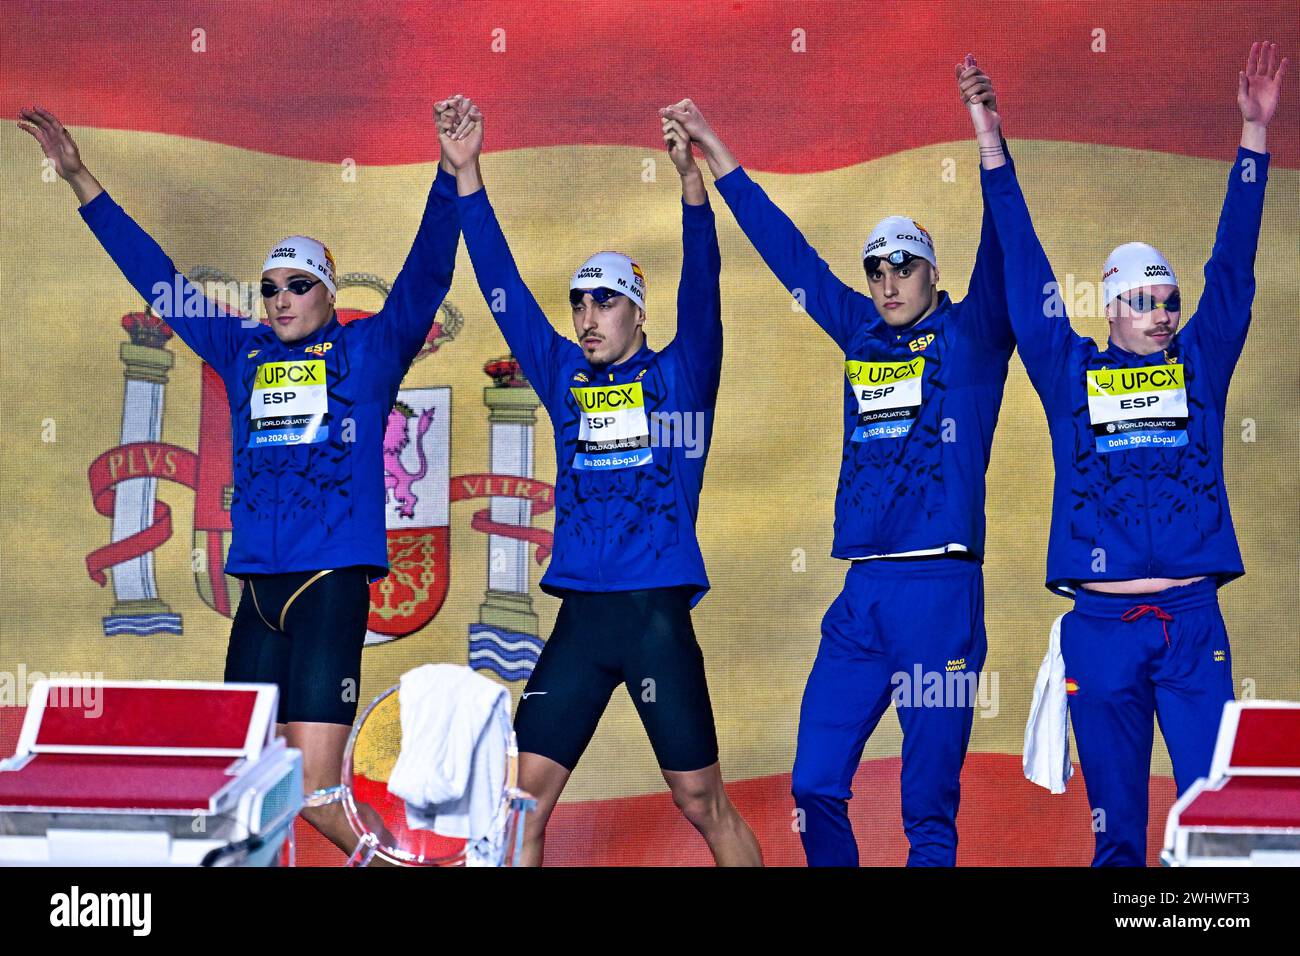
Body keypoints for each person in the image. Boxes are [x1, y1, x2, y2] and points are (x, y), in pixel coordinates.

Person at [16, 98, 474, 857]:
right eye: (270, 287)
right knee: (238, 790)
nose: (280, 299)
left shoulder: (369, 353)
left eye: (298, 285)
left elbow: (426, 274)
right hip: (257, 593)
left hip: (327, 585)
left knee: (323, 800)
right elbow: (159, 283)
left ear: (329, 295)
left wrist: (449, 173)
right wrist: (80, 182)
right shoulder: (242, 350)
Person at [660, 58, 1014, 867]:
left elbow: (1008, 246)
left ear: (935, 275)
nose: (888, 282)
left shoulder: (975, 337)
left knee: (928, 810)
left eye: (905, 267)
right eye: (877, 269)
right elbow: (790, 256)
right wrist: (716, 153)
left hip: (940, 594)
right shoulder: (858, 332)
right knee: (815, 784)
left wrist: (989, 136)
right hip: (863, 596)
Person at [972, 41, 1287, 865]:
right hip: (1100, 632)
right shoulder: (1068, 370)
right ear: (1109, 306)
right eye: (1143, 301)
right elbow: (1025, 271)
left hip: (1190, 626)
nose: (1162, 313)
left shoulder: (1201, 363)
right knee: (1117, 840)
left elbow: (1235, 272)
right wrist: (992, 151)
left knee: (1221, 832)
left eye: (1169, 302)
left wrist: (1254, 141)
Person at [439, 98, 761, 866]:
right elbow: (503, 289)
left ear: (638, 314)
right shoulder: (561, 376)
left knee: (701, 802)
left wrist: (691, 185)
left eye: (605, 301)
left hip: (654, 619)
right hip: (582, 622)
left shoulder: (682, 375)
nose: (587, 316)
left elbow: (704, 286)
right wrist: (468, 173)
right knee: (520, 802)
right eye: (579, 302)